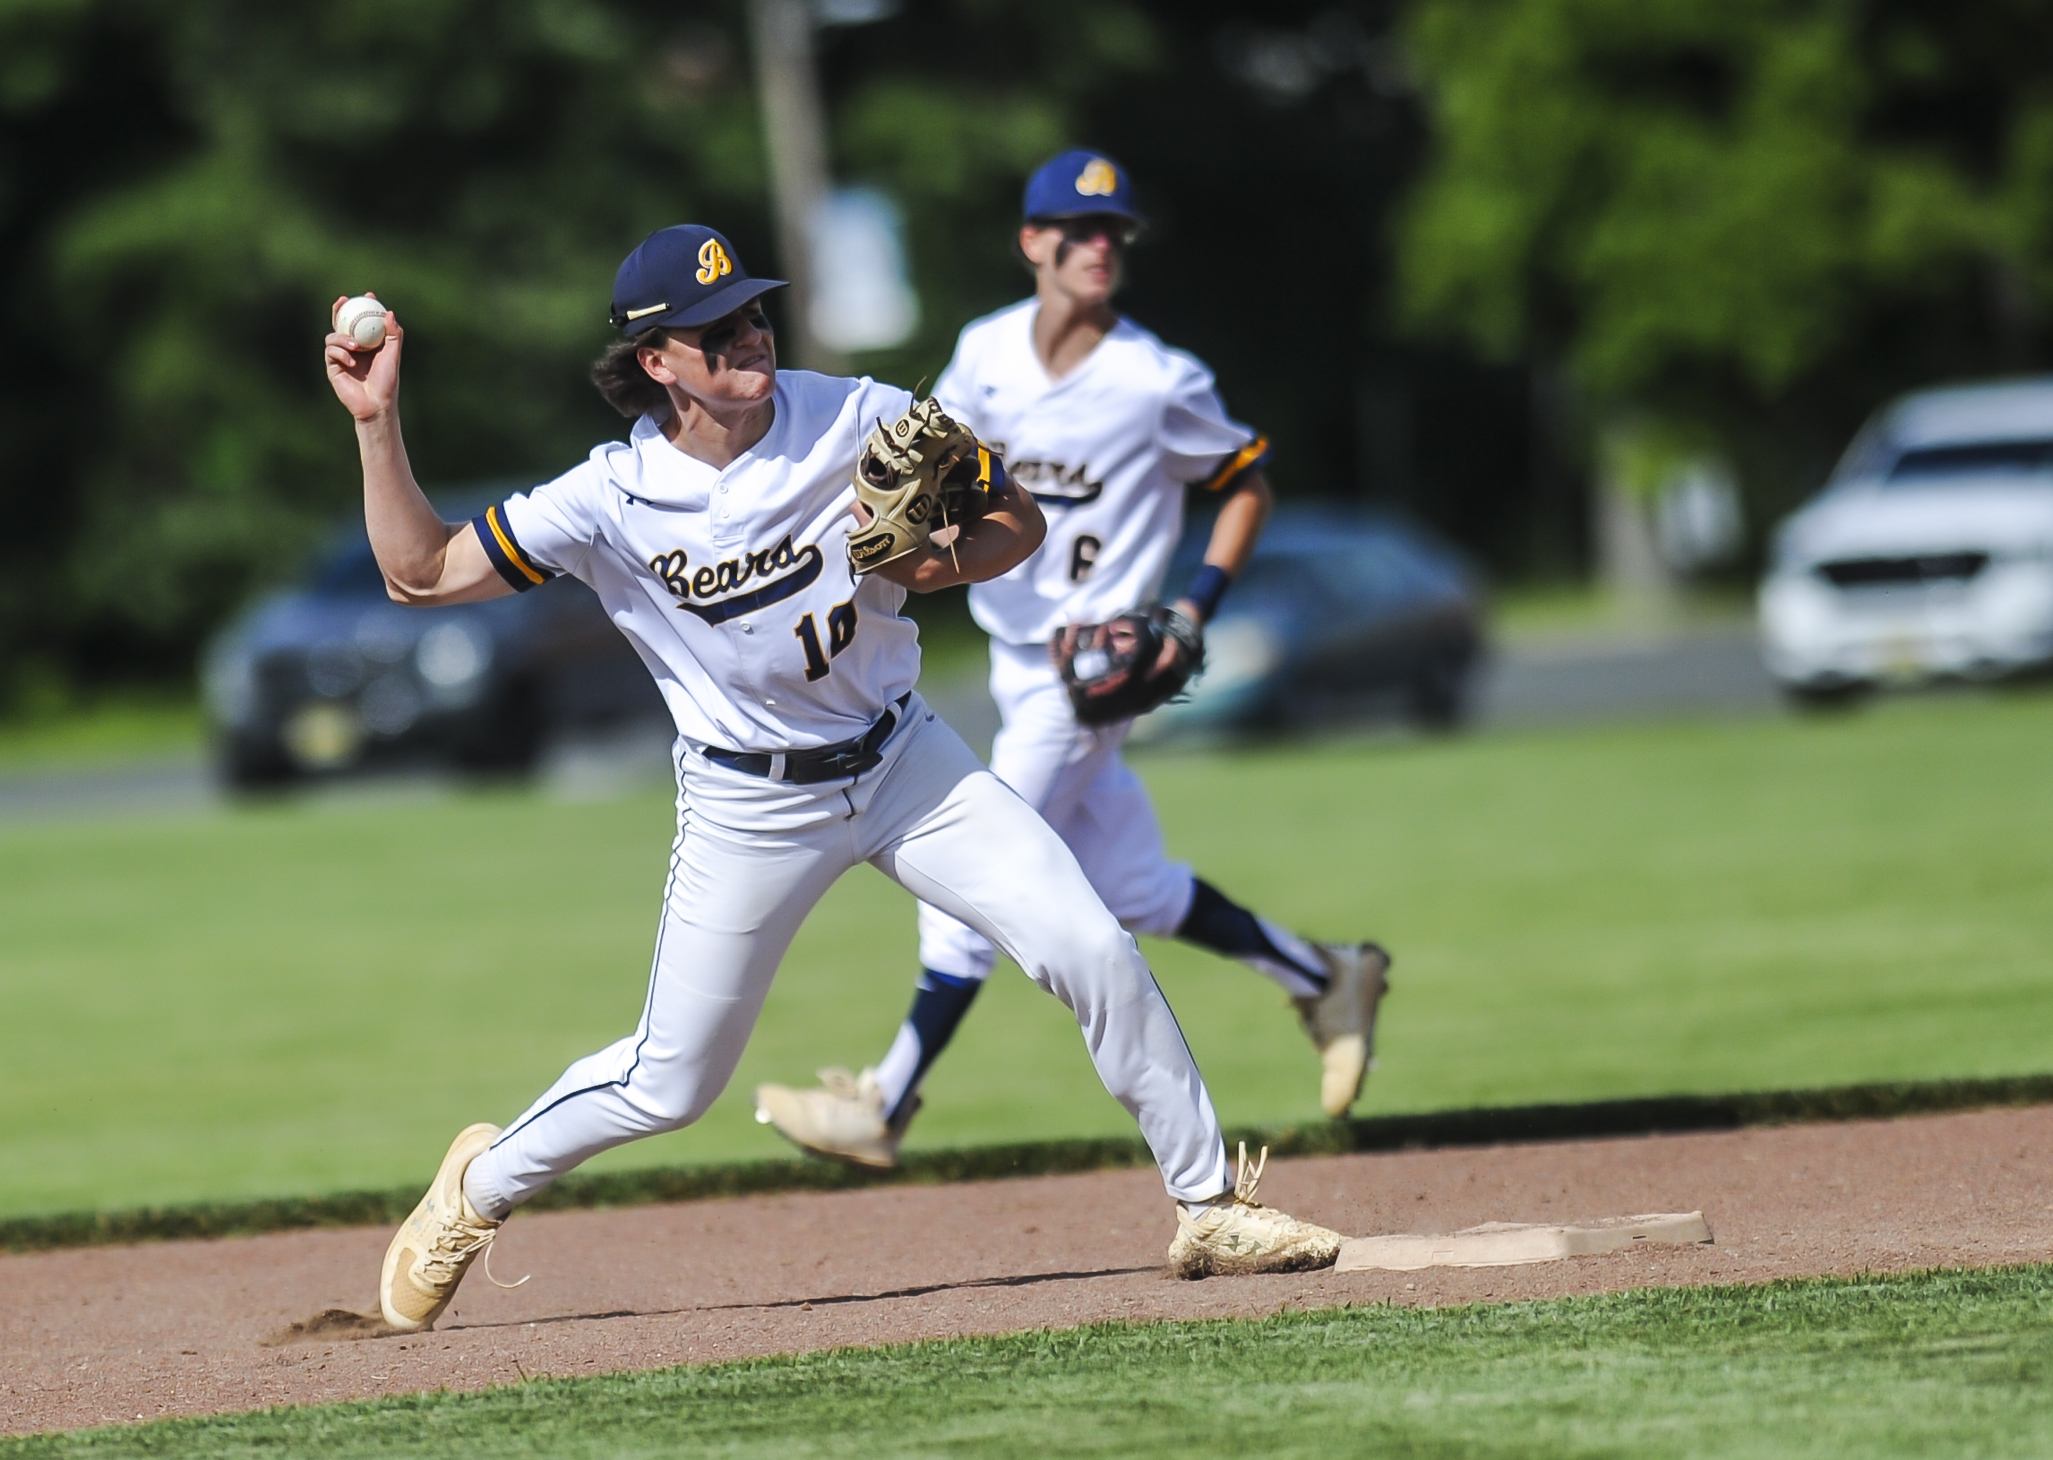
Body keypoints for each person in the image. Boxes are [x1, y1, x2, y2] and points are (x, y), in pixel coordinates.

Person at [323, 224, 1346, 1331]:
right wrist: (377, 422)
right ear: (657, 361)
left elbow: (1019, 522)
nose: (748, 335)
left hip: (906, 761)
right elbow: (418, 573)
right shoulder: (609, 497)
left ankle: (1207, 1206)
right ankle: (474, 1189)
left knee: (1090, 944)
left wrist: (937, 564)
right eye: (714, 330)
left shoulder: (859, 415)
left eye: (753, 312)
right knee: (671, 1082)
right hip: (748, 804)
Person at [754, 152, 1391, 1171]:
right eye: (1077, 229)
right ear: (1032, 242)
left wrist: (1192, 605)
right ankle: (1326, 976)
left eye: (1113, 232)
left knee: (974, 877)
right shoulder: (984, 352)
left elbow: (1247, 482)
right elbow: (929, 464)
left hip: (1092, 670)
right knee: (1134, 885)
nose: (1099, 246)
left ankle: (886, 1101)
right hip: (1012, 652)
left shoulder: (1156, 378)